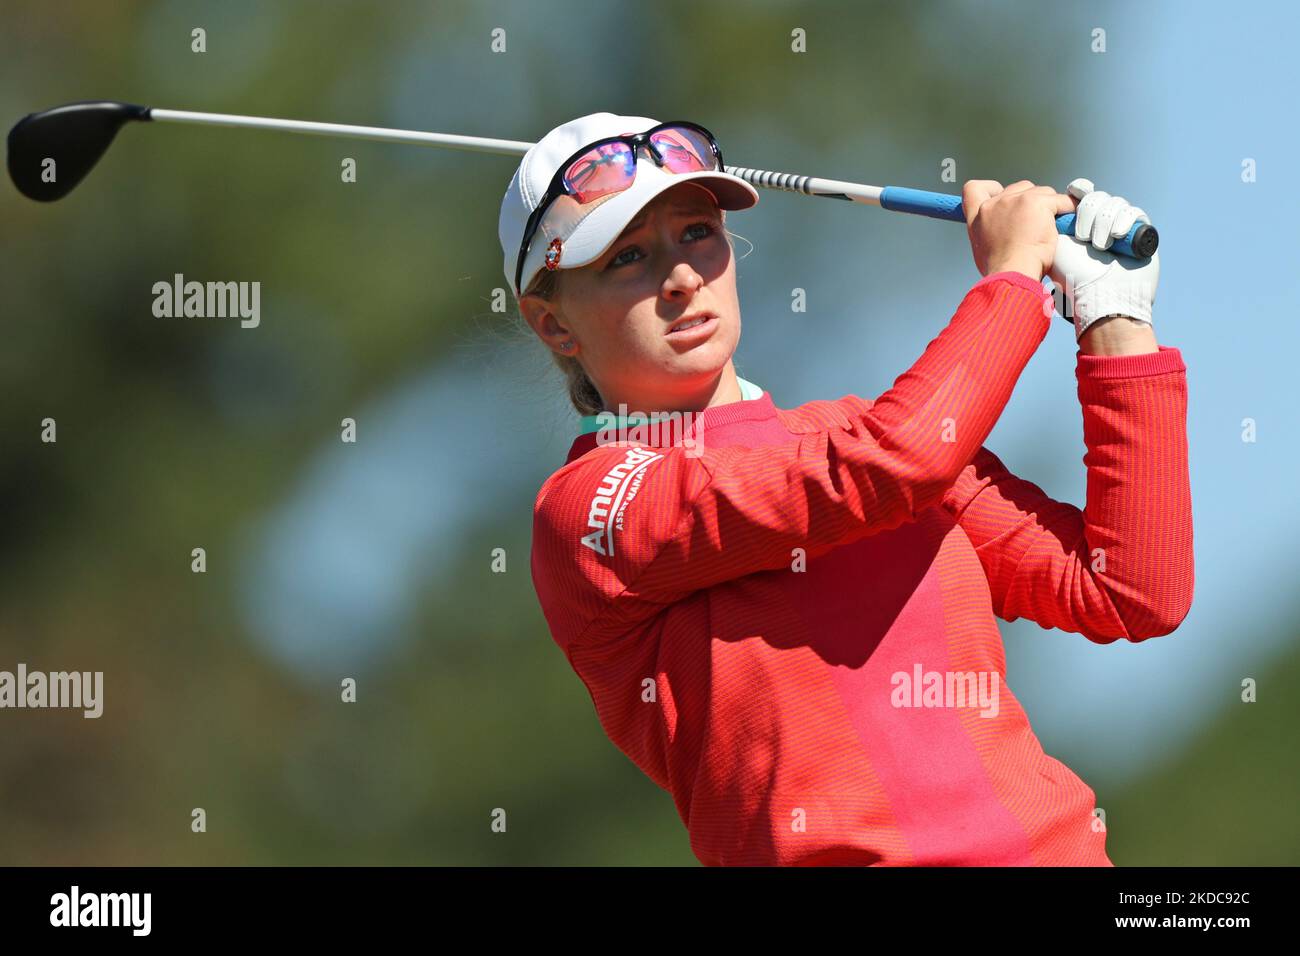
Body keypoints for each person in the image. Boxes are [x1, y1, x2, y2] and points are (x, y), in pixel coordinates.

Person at [499, 111, 1193, 866]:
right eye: (626, 257)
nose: (682, 276)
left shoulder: (862, 429)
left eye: (697, 232)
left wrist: (1115, 318)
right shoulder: (591, 507)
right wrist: (1012, 284)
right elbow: (892, 465)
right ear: (552, 324)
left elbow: (1127, 590)